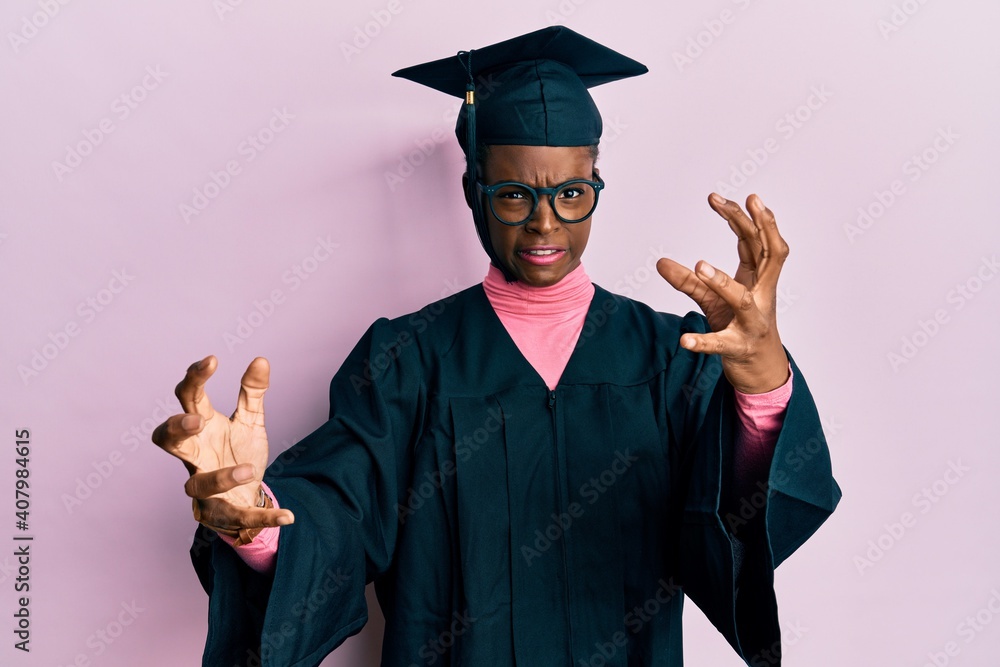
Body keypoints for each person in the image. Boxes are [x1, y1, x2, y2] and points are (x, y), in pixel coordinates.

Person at [152, 25, 841, 667]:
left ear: (596, 190)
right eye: (513, 194)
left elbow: (734, 520)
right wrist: (257, 519)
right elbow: (340, 508)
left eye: (572, 192)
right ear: (473, 191)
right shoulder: (407, 360)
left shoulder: (669, 358)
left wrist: (761, 389)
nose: (546, 221)